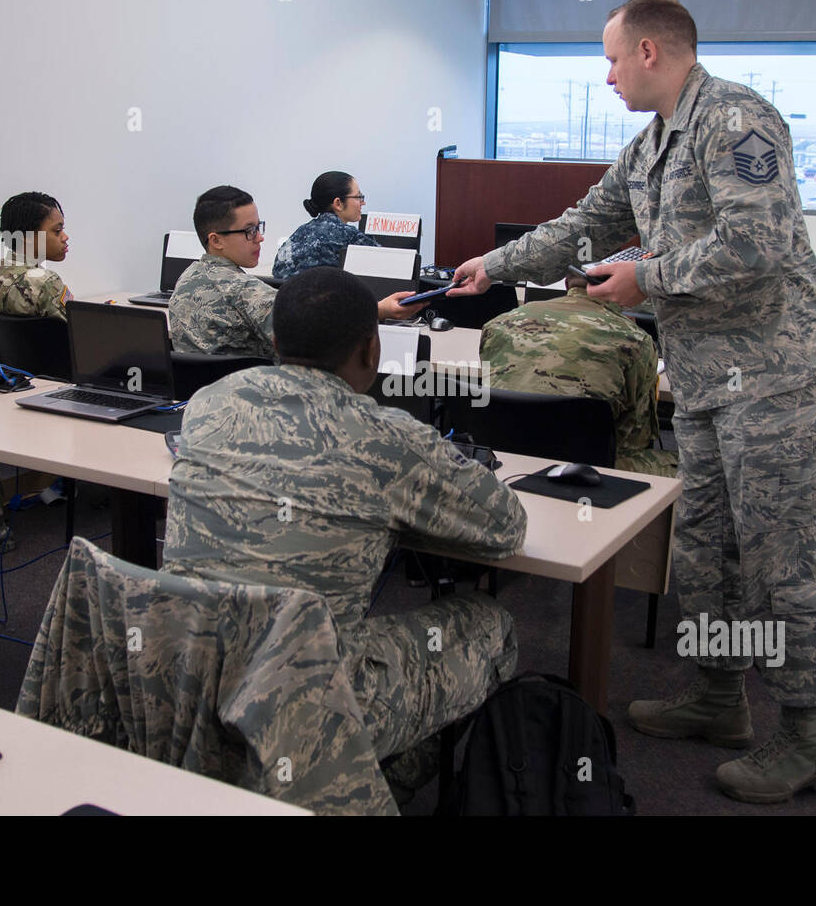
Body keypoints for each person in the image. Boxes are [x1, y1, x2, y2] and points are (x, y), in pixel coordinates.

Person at [452, 0, 816, 804]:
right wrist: (494, 267)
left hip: (776, 377)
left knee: (779, 559)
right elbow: (587, 223)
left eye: (610, 58)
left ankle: (812, 735)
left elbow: (757, 245)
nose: (604, 76)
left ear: (651, 53)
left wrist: (646, 277)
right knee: (706, 550)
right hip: (706, 380)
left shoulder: (734, 121)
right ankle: (718, 695)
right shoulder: (653, 144)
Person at [164, 266, 527, 787]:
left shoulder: (210, 403)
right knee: (491, 625)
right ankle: (377, 779)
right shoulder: (388, 435)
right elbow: (505, 528)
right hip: (310, 701)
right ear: (372, 351)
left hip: (188, 671)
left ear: (273, 340)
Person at [170, 186, 417, 356]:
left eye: (259, 227)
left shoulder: (186, 279)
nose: (260, 238)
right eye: (249, 231)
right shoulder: (245, 291)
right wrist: (380, 309)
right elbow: (314, 327)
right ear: (216, 240)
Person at [479, 273, 677, 477]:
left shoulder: (499, 323)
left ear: (566, 282)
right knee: (688, 465)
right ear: (620, 284)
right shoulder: (635, 340)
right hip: (591, 470)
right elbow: (636, 439)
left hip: (503, 460)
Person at [0, 192, 72, 319]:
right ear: (26, 237)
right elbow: (81, 329)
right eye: (57, 231)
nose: (65, 237)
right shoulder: (46, 283)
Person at [272, 171, 379, 279]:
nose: (363, 202)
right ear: (338, 203)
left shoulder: (299, 234)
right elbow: (384, 265)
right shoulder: (349, 236)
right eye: (358, 197)